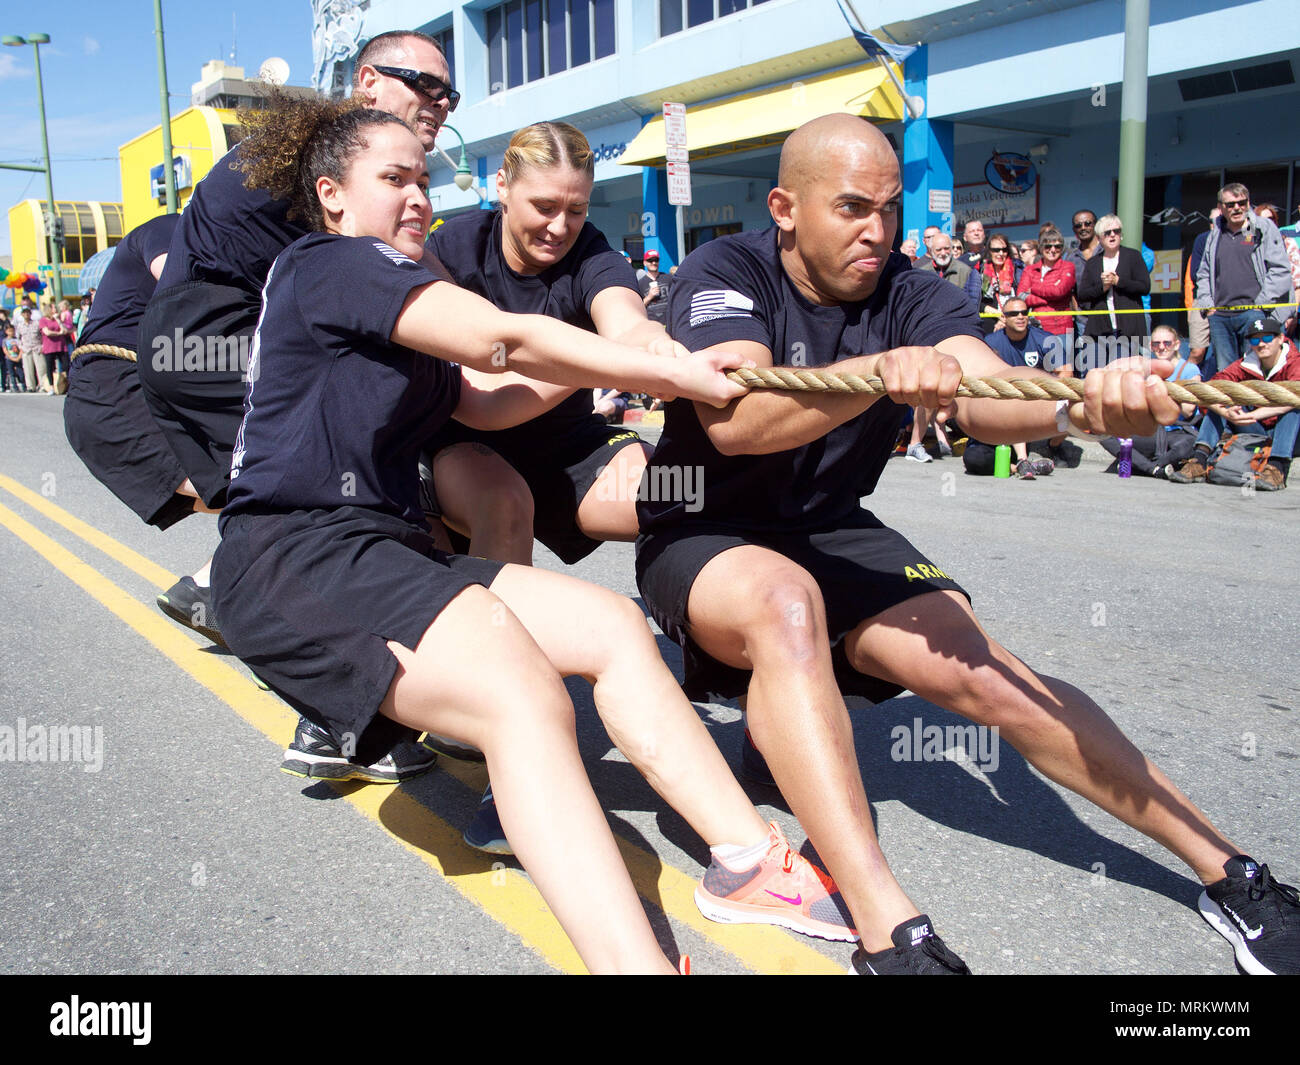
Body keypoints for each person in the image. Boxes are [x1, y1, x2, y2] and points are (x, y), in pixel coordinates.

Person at [637, 112, 1300, 975]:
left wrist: (1082, 411)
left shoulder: (910, 289)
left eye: (886, 207)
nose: (875, 230)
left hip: (831, 525)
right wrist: (878, 373)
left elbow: (983, 393)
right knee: (785, 607)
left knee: (982, 669)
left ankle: (1233, 872)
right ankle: (887, 930)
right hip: (703, 529)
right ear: (785, 208)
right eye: (849, 208)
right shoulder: (723, 268)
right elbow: (738, 422)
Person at [219, 98, 857, 972]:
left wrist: (620, 360)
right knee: (525, 698)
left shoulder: (379, 303)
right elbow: (501, 341)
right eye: (393, 179)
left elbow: (485, 398)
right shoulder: (335, 261)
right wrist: (660, 365)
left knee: (611, 627)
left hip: (376, 547)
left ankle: (747, 860)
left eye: (423, 180)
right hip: (297, 553)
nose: (417, 198)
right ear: (331, 194)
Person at [61, 215, 230, 640]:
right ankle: (217, 596)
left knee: (267, 497)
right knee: (274, 494)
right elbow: (186, 290)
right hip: (116, 387)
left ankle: (209, 593)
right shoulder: (175, 227)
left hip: (137, 390)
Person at [1169, 316, 1298, 490]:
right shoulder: (1245, 364)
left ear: (1281, 339)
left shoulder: (1294, 362)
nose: (1261, 344)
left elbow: (1296, 396)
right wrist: (1226, 413)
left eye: (1267, 338)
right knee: (1222, 397)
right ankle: (1198, 461)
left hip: (1290, 433)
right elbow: (1209, 390)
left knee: (1294, 407)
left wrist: (1253, 414)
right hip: (1256, 428)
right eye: (1255, 339)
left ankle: (1277, 469)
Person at [1194, 182, 1294, 372]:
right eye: (1230, 204)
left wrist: (1261, 304)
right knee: (1228, 372)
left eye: (1241, 202)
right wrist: (1207, 305)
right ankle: (1236, 404)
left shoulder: (1264, 228)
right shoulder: (1215, 234)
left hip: (1254, 313)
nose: (1237, 208)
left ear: (1248, 203)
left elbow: (1280, 270)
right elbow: (1204, 273)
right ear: (1221, 207)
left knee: (1258, 372)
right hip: (1220, 316)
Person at [965, 297, 1059, 478]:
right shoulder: (990, 342)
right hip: (992, 414)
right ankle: (1021, 467)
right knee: (973, 459)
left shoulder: (1043, 339)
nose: (1021, 316)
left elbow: (1065, 375)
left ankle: (1024, 459)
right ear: (1003, 318)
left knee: (1017, 401)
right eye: (1014, 313)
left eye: (1025, 312)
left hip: (1025, 417)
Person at [1098, 323, 1202, 477]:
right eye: (1156, 344)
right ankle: (1154, 470)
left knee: (1184, 447)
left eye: (1167, 343)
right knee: (1104, 435)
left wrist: (1161, 394)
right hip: (1151, 431)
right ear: (1151, 346)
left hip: (1177, 432)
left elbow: (1188, 411)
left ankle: (1143, 466)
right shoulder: (1146, 370)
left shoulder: (1189, 369)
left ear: (1177, 345)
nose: (1161, 347)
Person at [1075, 214, 1151, 361]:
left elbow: (1144, 286)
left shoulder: (1133, 256)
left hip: (1129, 328)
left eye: (1116, 231)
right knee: (1096, 371)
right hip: (1100, 329)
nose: (1112, 235)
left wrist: (1118, 281)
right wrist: (1102, 287)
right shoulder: (1093, 263)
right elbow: (1083, 294)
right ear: (1099, 237)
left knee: (1121, 372)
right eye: (1107, 233)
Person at [1017, 224, 1076, 376]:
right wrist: (1050, 299)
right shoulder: (1030, 269)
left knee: (1064, 374)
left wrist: (1034, 289)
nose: (1052, 250)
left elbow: (1060, 291)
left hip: (1061, 329)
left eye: (1057, 246)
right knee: (1040, 374)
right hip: (1037, 329)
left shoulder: (1068, 267)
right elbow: (1021, 296)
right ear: (1041, 248)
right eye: (1048, 246)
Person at [38, 300, 70, 395]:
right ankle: (51, 387)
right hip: (49, 346)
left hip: (61, 345)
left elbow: (65, 330)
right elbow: (47, 332)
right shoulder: (43, 320)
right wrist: (58, 333)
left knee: (66, 365)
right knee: (50, 367)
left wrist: (58, 320)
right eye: (53, 308)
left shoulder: (58, 318)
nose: (55, 309)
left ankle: (68, 385)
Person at [14, 306, 44, 393]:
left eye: (28, 312)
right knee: (28, 369)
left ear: (30, 314)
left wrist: (42, 346)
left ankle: (42, 385)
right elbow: (18, 338)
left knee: (41, 368)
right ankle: (30, 386)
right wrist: (21, 347)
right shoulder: (20, 326)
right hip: (26, 349)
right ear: (22, 315)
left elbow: (42, 335)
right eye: (24, 313)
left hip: (37, 347)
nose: (26, 314)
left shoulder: (36, 323)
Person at [638, 248, 671, 323]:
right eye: (650, 260)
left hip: (670, 322)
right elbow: (638, 307)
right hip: (652, 324)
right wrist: (649, 297)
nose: (653, 263)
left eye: (656, 260)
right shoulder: (640, 283)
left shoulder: (668, 278)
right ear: (644, 263)